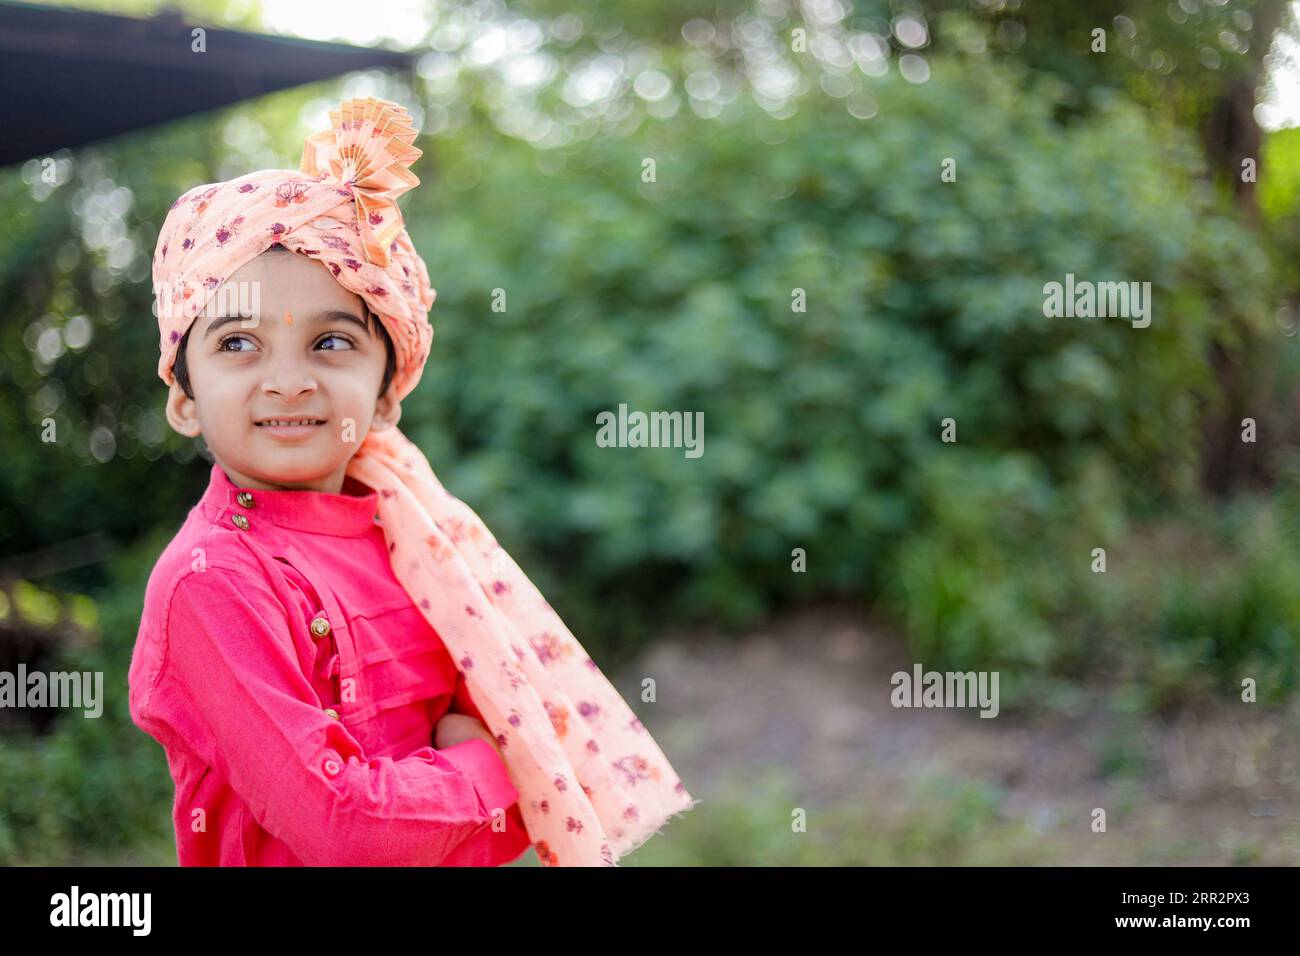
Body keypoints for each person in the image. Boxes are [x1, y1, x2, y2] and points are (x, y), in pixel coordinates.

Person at [129, 97, 696, 866]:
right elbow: (343, 827)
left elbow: (499, 767)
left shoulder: (413, 536)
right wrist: (497, 763)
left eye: (331, 340)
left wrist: (469, 770)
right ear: (184, 395)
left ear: (389, 390)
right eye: (238, 342)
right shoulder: (213, 583)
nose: (288, 381)